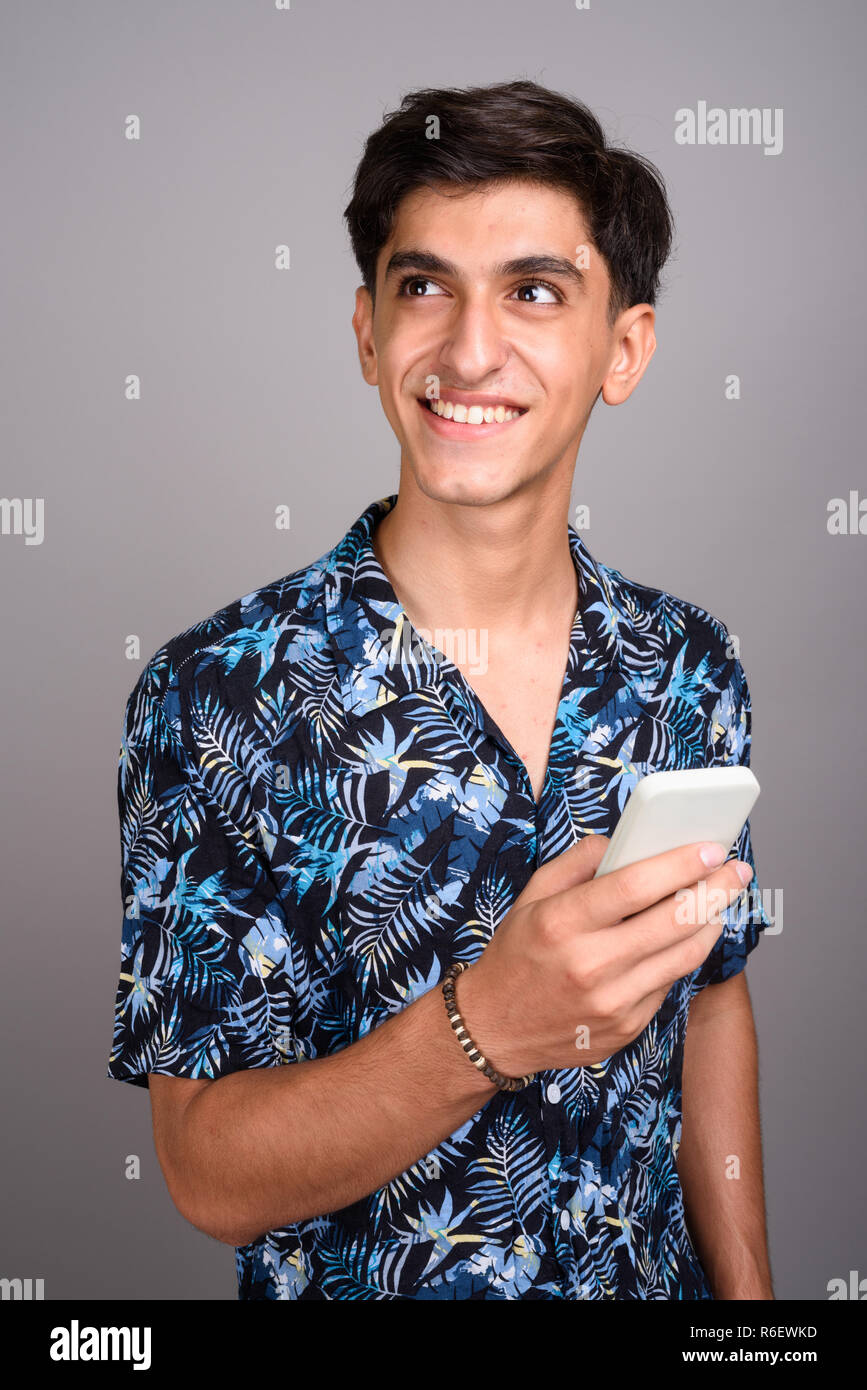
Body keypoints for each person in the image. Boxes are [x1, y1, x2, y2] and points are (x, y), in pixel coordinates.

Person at [107, 79, 774, 1300]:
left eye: (533, 291)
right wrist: (487, 1026)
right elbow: (205, 1171)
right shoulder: (217, 693)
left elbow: (713, 1002)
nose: (470, 350)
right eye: (424, 287)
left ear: (622, 348)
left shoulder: (690, 665)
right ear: (367, 331)